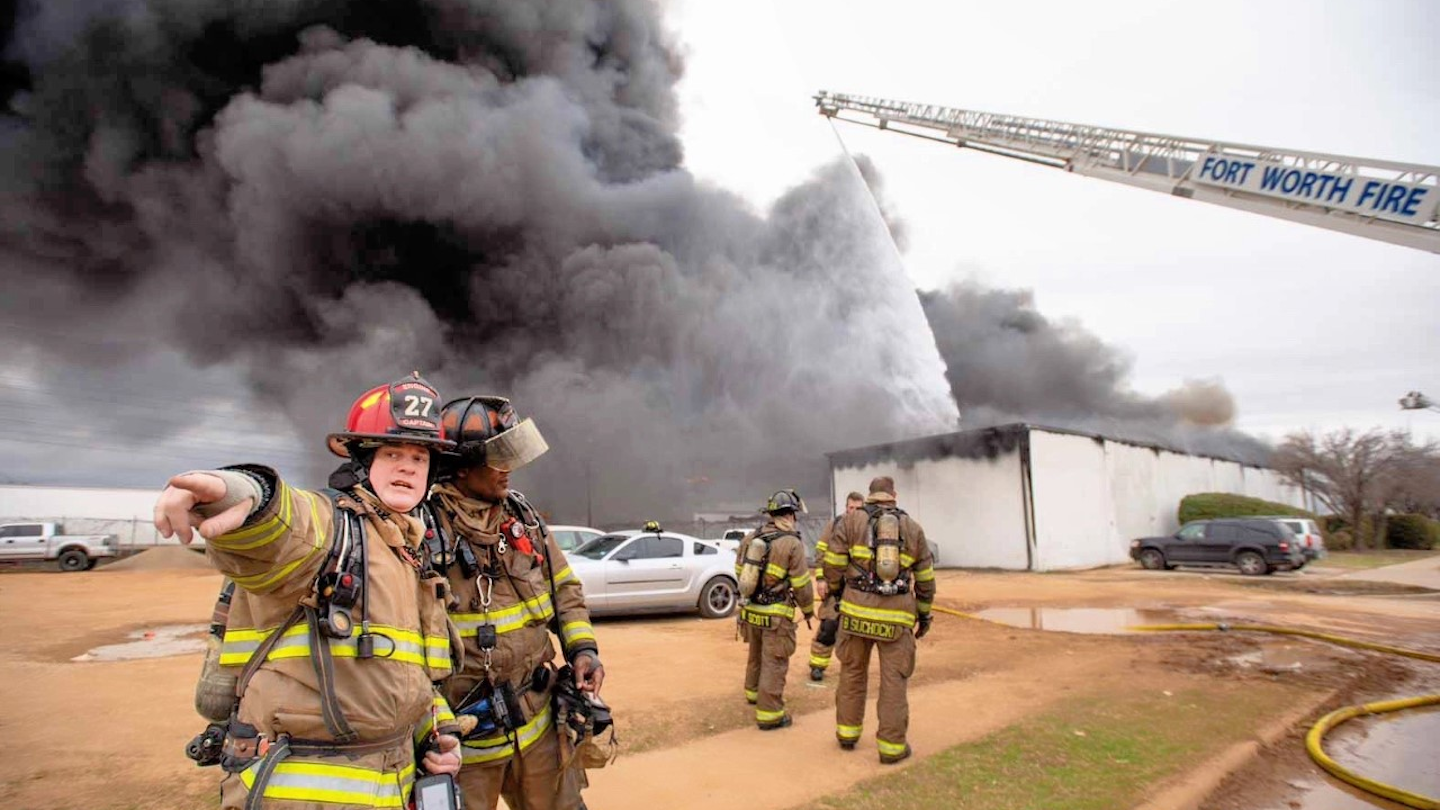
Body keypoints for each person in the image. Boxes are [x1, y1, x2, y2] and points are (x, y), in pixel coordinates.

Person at [154, 372, 464, 809]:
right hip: (296, 792)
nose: (408, 466)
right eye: (392, 453)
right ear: (362, 463)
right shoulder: (333, 528)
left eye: (419, 457)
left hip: (390, 781)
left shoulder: (410, 554)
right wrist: (238, 491)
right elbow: (286, 521)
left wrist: (438, 733)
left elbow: (412, 676)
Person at [429, 395, 603, 810]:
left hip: (539, 726)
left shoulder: (523, 520)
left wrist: (583, 649)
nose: (508, 468)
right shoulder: (425, 533)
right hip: (465, 744)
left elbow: (565, 590)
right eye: (496, 459)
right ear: (462, 466)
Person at [823, 475, 936, 764]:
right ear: (893, 495)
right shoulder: (912, 528)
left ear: (870, 494)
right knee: (893, 681)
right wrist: (924, 614)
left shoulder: (850, 521)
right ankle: (891, 748)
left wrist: (836, 594)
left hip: (855, 613)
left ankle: (847, 734)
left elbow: (832, 565)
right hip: (896, 619)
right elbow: (925, 579)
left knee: (852, 673)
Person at [734, 489, 816, 730]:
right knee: (774, 661)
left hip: (751, 611)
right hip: (776, 615)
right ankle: (770, 714)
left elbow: (739, 572)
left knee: (756, 654)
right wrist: (808, 610)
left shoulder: (751, 538)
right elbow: (801, 584)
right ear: (790, 515)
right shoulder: (792, 543)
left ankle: (753, 693)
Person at [808, 491, 866, 682]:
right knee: (829, 626)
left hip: (859, 589)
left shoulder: (869, 529)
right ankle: (817, 666)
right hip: (835, 587)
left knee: (857, 631)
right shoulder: (835, 525)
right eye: (851, 508)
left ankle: (853, 669)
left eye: (858, 509)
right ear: (846, 508)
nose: (854, 512)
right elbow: (821, 552)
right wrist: (821, 578)